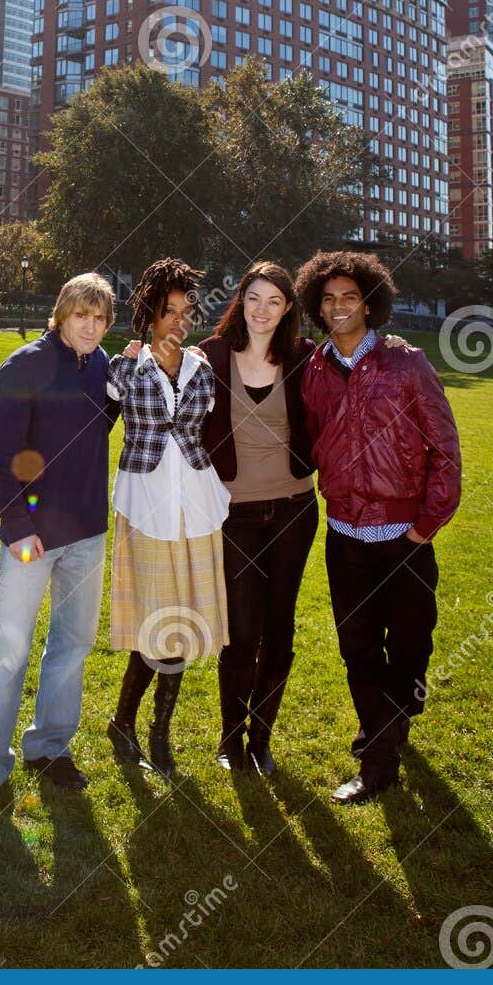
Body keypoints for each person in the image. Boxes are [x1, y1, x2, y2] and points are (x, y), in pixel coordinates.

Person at [295, 250, 461, 805]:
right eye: (328, 298)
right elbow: (315, 437)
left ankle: (394, 715)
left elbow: (445, 452)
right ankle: (379, 762)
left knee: (411, 647)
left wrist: (423, 529)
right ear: (317, 306)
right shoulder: (314, 370)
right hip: (346, 536)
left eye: (350, 296)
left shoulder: (407, 365)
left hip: (405, 538)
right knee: (358, 647)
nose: (339, 306)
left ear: (370, 301)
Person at [0, 271, 118, 803]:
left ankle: (49, 747)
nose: (91, 326)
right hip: (32, 536)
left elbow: (99, 427)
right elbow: (1, 457)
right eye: (82, 315)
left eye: (100, 318)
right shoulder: (24, 366)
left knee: (72, 645)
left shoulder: (101, 366)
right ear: (62, 313)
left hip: (88, 533)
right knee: (11, 646)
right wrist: (18, 527)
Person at [105, 258, 230, 778]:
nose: (179, 320)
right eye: (168, 311)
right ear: (149, 317)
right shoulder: (124, 368)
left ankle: (157, 732)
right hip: (147, 507)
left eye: (186, 311)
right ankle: (125, 722)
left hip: (196, 509)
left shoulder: (203, 367)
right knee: (156, 628)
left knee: (182, 625)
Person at [200, 261, 318, 777]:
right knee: (241, 630)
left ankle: (261, 739)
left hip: (294, 508)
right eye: (254, 298)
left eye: (274, 300)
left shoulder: (303, 358)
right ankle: (231, 736)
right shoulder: (211, 356)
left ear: (287, 308)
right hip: (235, 513)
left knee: (280, 626)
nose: (262, 309)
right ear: (240, 301)